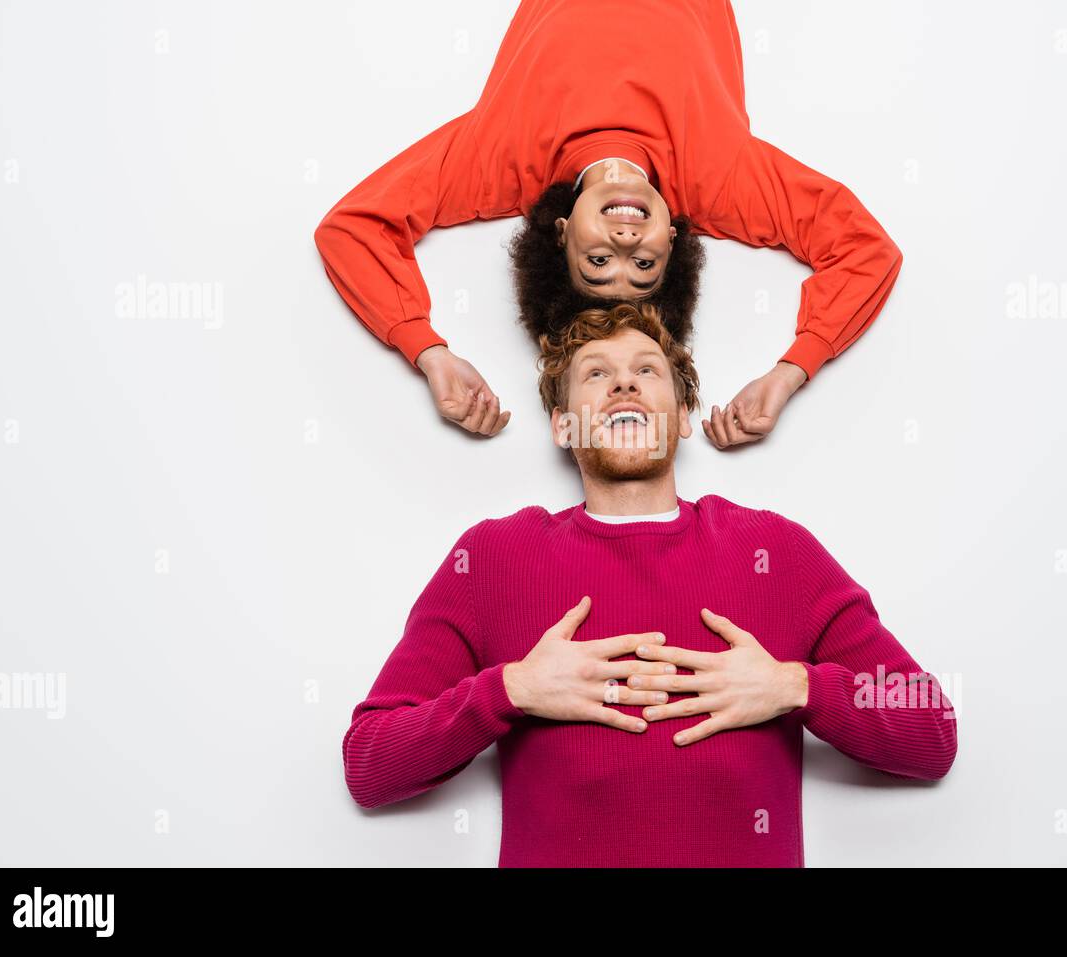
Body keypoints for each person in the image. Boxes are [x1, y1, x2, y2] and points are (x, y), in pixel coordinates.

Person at [342, 303, 955, 867]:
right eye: (596, 375)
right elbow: (370, 763)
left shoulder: (777, 550)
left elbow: (931, 730)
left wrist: (797, 687)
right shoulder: (495, 557)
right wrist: (510, 690)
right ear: (562, 427)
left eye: (646, 370)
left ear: (684, 418)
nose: (624, 383)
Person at [314, 0, 903, 446]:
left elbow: (354, 227)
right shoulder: (721, 177)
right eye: (643, 265)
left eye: (598, 263)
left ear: (563, 233)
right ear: (672, 239)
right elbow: (866, 251)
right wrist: (791, 372)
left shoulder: (500, 159)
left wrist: (430, 353)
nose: (625, 243)